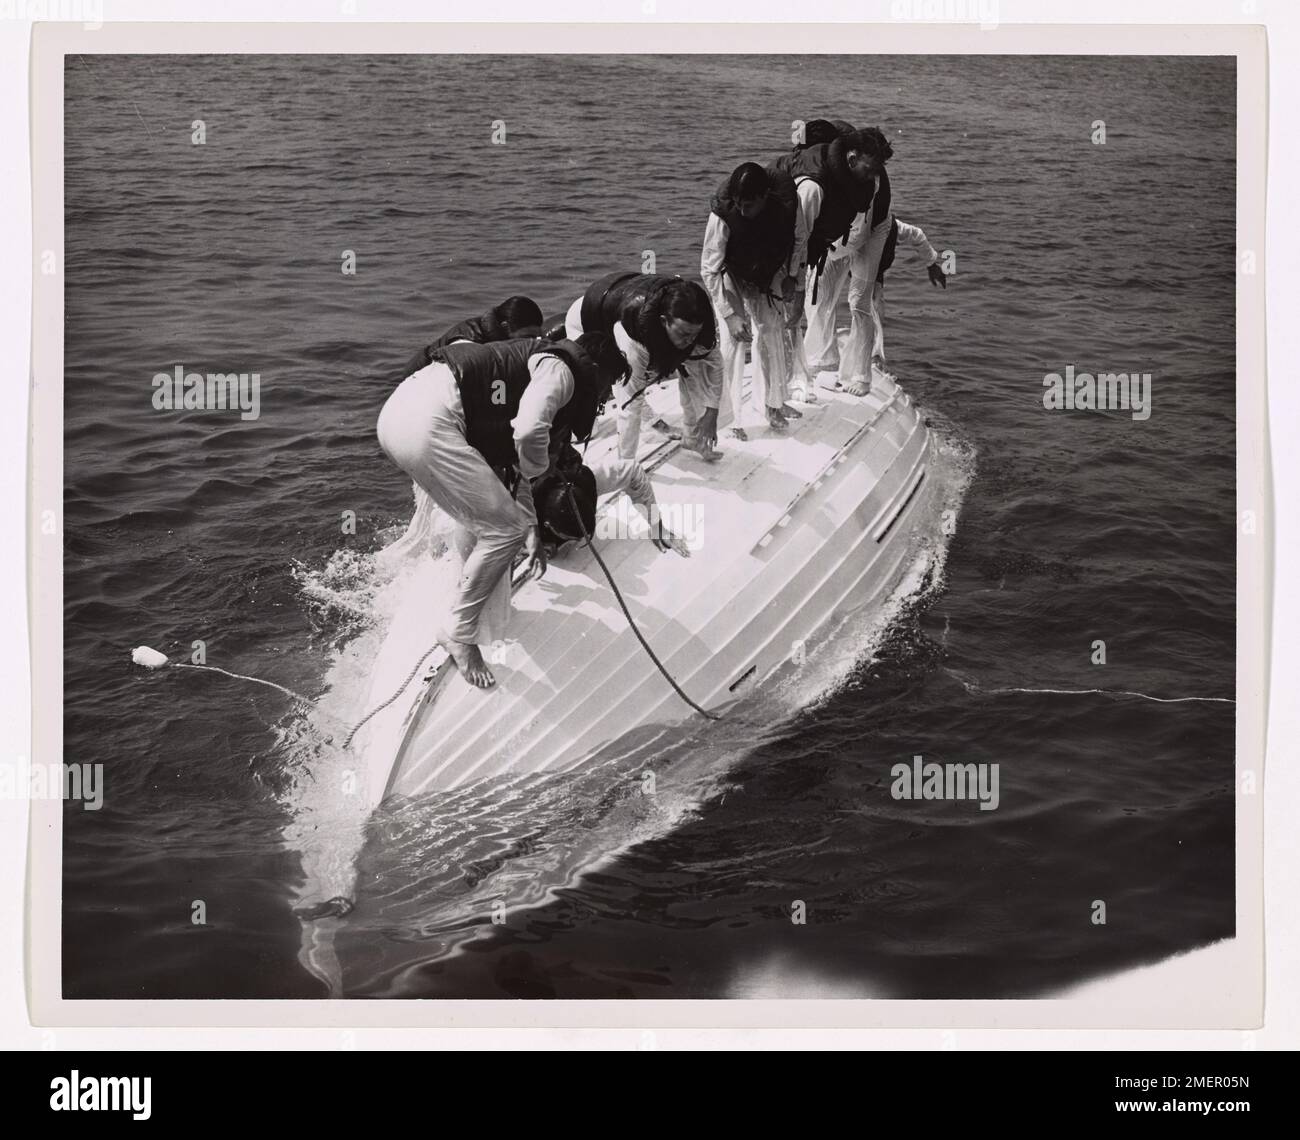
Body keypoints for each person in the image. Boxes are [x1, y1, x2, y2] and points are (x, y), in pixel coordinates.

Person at [376, 332, 628, 688]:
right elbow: (527, 433)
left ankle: (472, 602)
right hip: (430, 426)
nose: (602, 400)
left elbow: (513, 473)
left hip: (398, 420)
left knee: (491, 524)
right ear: (597, 369)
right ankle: (460, 632)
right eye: (607, 388)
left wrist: (531, 529)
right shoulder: (561, 371)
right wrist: (541, 468)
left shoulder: (533, 369)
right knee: (502, 530)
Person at [773, 123, 892, 399]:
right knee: (820, 294)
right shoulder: (819, 180)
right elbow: (803, 235)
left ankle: (860, 375)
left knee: (858, 301)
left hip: (870, 230)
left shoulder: (870, 183)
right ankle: (824, 357)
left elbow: (868, 228)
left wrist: (877, 277)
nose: (876, 175)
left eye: (877, 169)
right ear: (850, 159)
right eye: (870, 168)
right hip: (840, 232)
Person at [564, 272, 723, 462]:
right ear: (664, 321)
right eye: (683, 334)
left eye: (694, 334)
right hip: (588, 319)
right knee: (583, 429)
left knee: (694, 367)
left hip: (621, 306)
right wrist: (626, 467)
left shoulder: (696, 329)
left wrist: (712, 413)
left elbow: (715, 365)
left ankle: (692, 438)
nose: (689, 340)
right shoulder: (636, 336)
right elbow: (629, 402)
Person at [701, 161, 806, 437]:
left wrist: (792, 277)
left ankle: (771, 404)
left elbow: (799, 241)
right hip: (730, 273)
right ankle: (729, 419)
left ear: (765, 196)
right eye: (739, 205)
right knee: (734, 340)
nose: (743, 211)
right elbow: (709, 269)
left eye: (749, 205)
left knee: (770, 331)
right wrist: (730, 314)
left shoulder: (788, 207)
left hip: (767, 269)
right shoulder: (722, 215)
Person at [532, 446, 691, 558]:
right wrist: (532, 543)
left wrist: (657, 526)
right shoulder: (517, 508)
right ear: (546, 523)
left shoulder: (585, 477)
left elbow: (633, 472)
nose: (580, 540)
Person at [397, 295, 545, 379]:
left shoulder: (495, 338)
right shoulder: (468, 344)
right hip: (419, 380)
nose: (532, 343)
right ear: (505, 327)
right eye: (528, 337)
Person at [867, 216, 949, 368]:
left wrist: (931, 263)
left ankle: (874, 356)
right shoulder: (857, 222)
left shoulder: (891, 226)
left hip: (872, 273)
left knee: (874, 302)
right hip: (848, 260)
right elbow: (916, 234)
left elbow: (916, 234)